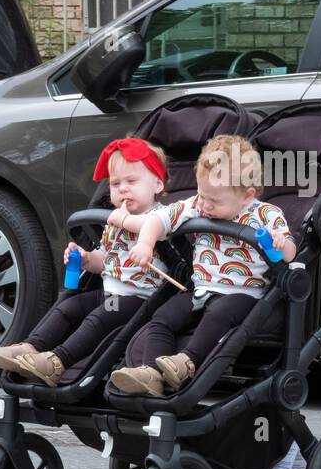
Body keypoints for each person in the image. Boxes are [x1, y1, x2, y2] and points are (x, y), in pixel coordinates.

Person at [108, 135, 296, 397]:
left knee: (218, 315)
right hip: (201, 290)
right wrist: (146, 243)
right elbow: (158, 219)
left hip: (242, 294)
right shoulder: (197, 204)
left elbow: (289, 253)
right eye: (202, 195)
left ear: (246, 195)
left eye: (214, 201)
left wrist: (280, 242)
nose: (205, 205)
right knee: (162, 317)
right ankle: (149, 371)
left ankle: (187, 362)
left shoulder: (266, 214)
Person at [0, 138, 171, 385]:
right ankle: (29, 347)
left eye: (131, 182)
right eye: (115, 184)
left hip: (141, 299)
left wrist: (122, 220)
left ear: (157, 184)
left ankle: (57, 362)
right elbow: (105, 261)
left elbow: (153, 229)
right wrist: (85, 259)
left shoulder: (162, 215)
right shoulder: (113, 223)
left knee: (98, 318)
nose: (123, 189)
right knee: (68, 307)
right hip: (111, 292)